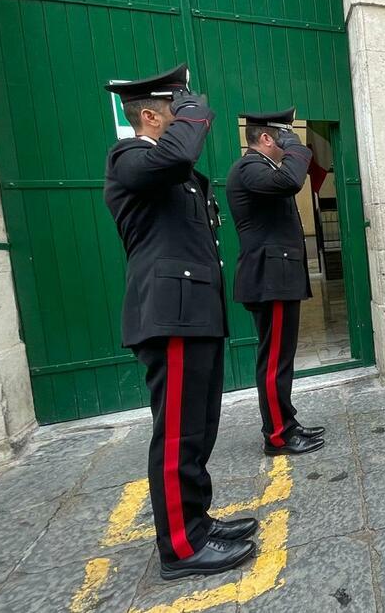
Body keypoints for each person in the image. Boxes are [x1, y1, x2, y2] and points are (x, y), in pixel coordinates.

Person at [103, 64, 256, 580]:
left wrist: (185, 111)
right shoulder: (129, 156)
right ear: (151, 116)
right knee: (175, 436)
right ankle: (180, 548)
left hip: (195, 315)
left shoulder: (171, 169)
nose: (194, 120)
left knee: (196, 430)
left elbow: (181, 163)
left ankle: (196, 521)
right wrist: (192, 110)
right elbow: (178, 153)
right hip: (169, 316)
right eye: (178, 112)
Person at [226, 108, 326, 456]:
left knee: (280, 358)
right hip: (269, 278)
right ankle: (278, 435)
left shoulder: (263, 168)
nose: (289, 145)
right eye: (283, 136)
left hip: (277, 276)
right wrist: (299, 146)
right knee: (273, 361)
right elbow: (290, 182)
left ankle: (287, 420)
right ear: (267, 138)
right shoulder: (250, 167)